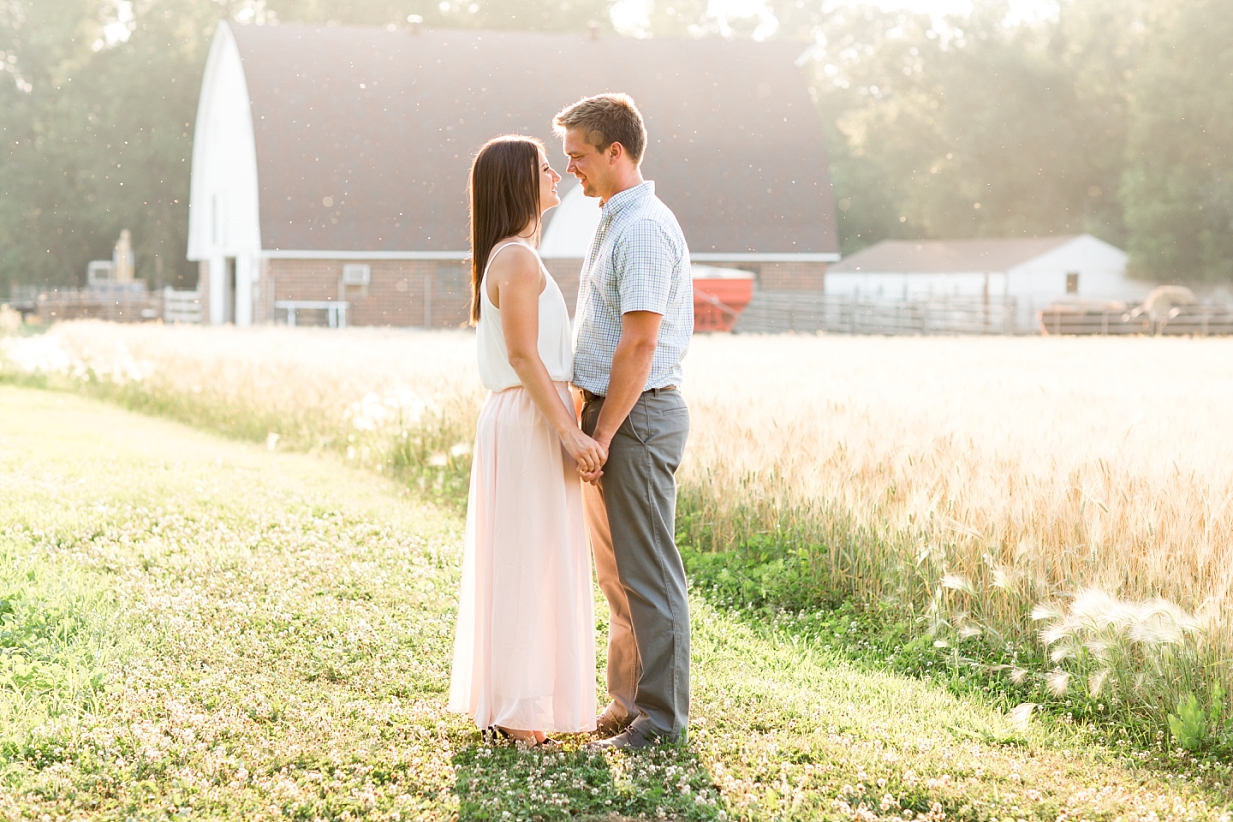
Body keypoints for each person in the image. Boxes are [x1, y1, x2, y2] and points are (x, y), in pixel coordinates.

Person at [448, 135, 604, 746]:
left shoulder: (515, 256)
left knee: (534, 558)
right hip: (529, 422)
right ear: (519, 181)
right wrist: (567, 430)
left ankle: (522, 704)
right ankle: (515, 712)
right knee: (524, 560)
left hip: (531, 418)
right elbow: (521, 353)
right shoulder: (514, 258)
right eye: (544, 164)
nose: (556, 171)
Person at [553, 94, 694, 749]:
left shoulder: (641, 227)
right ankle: (627, 703)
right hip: (609, 414)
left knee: (648, 575)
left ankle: (661, 722)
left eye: (578, 155)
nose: (570, 167)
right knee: (617, 576)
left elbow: (639, 344)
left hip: (632, 418)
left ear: (616, 151)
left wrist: (603, 432)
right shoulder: (615, 216)